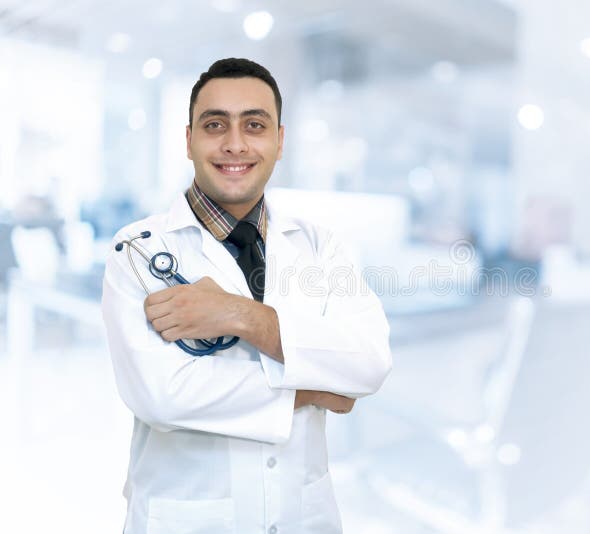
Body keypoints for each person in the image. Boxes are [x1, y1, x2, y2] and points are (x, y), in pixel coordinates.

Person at [102, 58, 392, 534]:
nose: (234, 143)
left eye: (254, 125)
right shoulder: (136, 250)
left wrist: (239, 315)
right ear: (189, 139)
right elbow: (162, 397)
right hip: (187, 519)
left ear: (279, 142)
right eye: (215, 124)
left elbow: (369, 362)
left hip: (305, 517)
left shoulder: (320, 246)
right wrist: (314, 386)